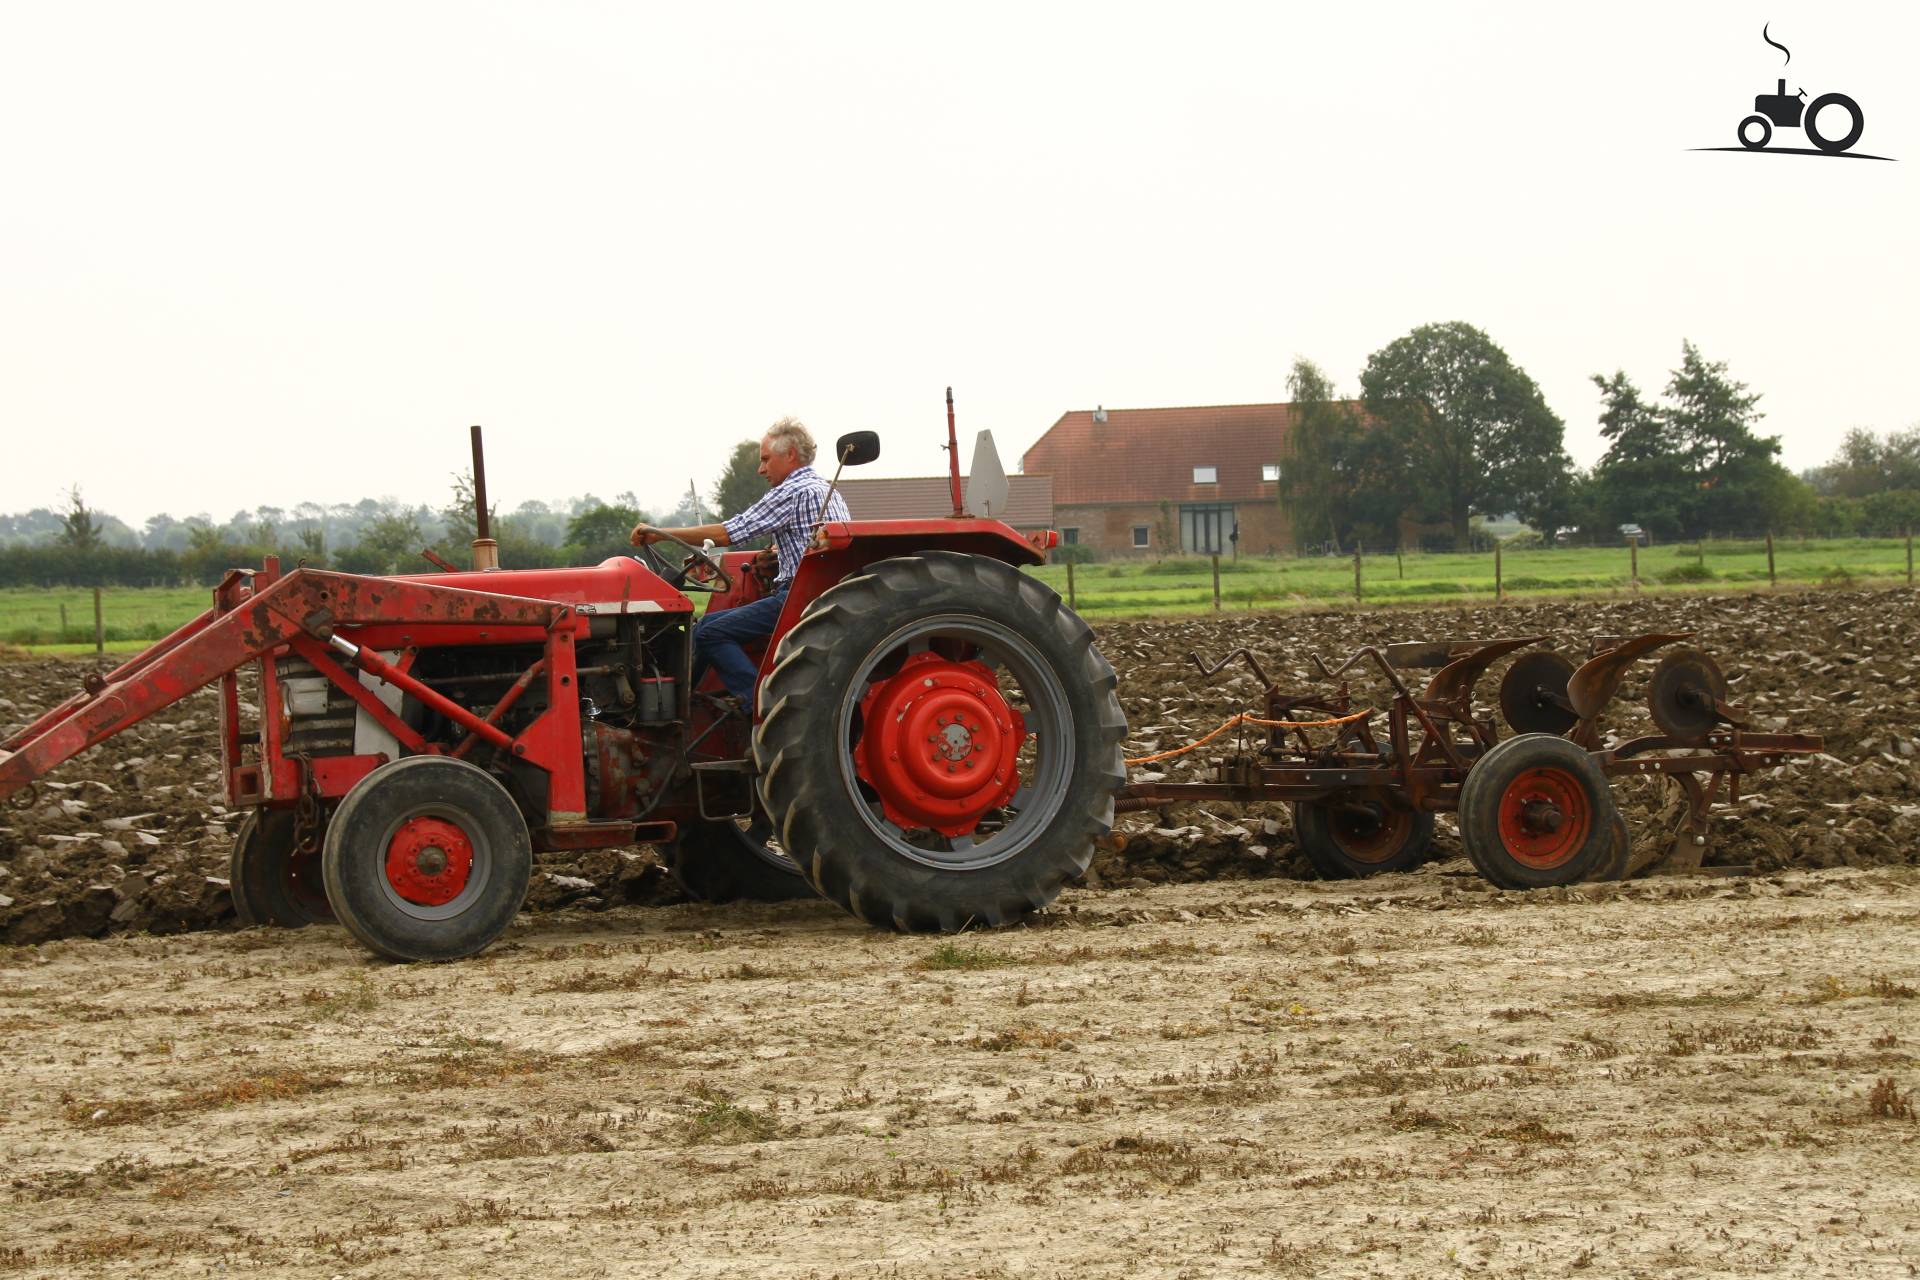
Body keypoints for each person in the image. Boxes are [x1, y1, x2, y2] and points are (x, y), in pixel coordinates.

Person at [629, 417, 850, 710]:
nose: (761, 469)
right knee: (706, 624)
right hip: (824, 594)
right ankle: (679, 705)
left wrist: (661, 534)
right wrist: (775, 551)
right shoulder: (828, 491)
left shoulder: (793, 491)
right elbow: (808, 538)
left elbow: (727, 533)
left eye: (765, 460)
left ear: (791, 456)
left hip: (797, 599)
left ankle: (759, 707)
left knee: (709, 633)